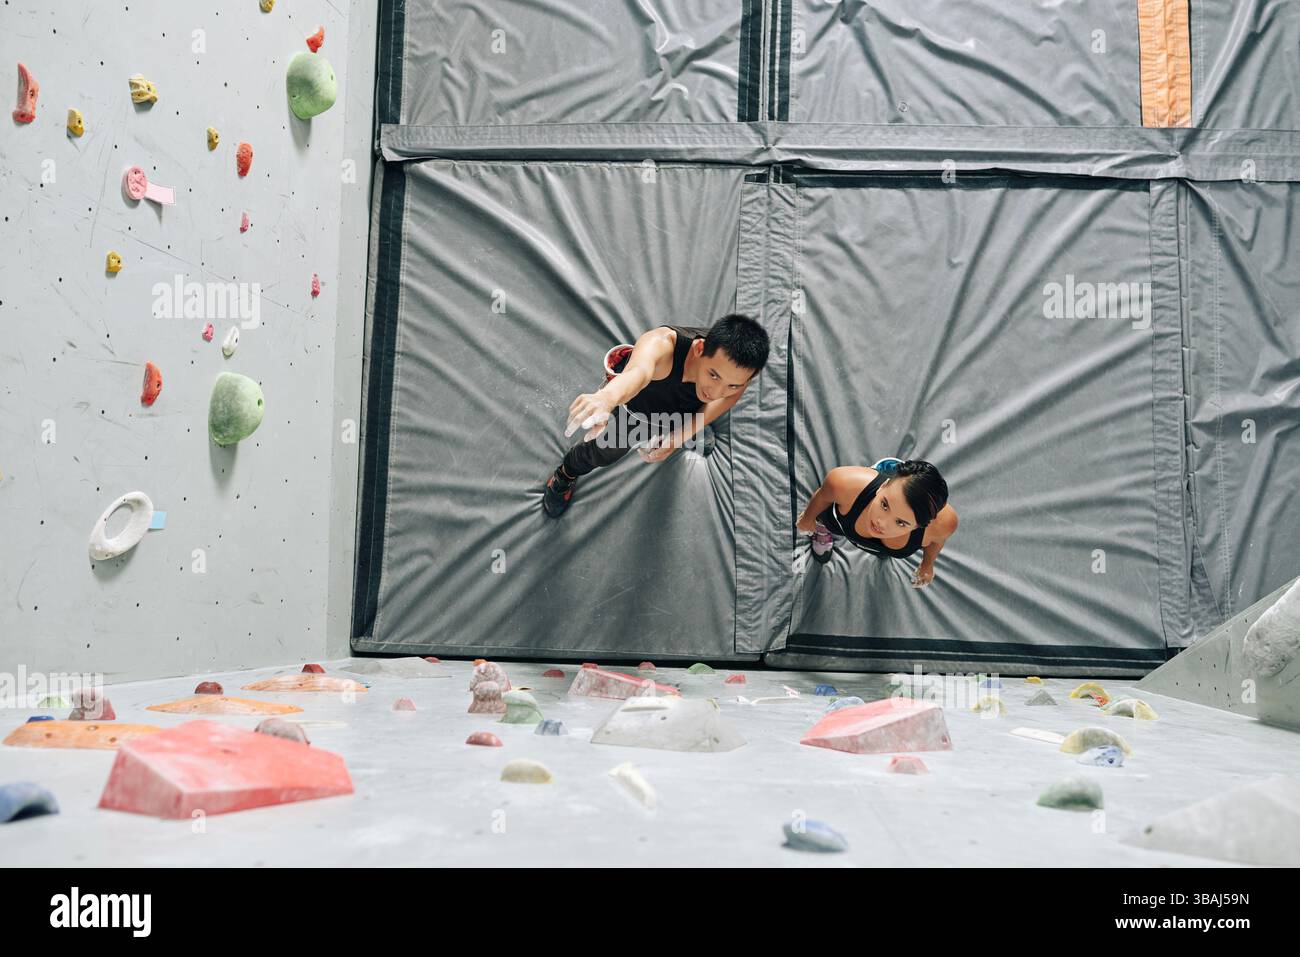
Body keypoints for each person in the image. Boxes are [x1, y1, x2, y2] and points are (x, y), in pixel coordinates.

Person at [542, 314, 770, 518]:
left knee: (697, 415)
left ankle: (689, 427)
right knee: (603, 452)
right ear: (700, 349)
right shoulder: (662, 346)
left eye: (731, 385)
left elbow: (729, 396)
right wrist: (607, 398)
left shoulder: (736, 371)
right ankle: (566, 473)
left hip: (681, 410)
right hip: (635, 409)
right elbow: (638, 373)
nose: (716, 392)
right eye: (713, 375)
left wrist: (683, 434)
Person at [796, 458, 957, 587]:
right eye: (885, 504)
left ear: (920, 526)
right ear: (883, 486)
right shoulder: (844, 483)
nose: (881, 523)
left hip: (880, 543)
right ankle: (823, 528)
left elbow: (936, 541)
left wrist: (927, 565)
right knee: (826, 520)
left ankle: (882, 550)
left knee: (883, 551)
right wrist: (808, 519)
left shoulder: (943, 524)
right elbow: (824, 496)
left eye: (900, 522)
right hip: (841, 520)